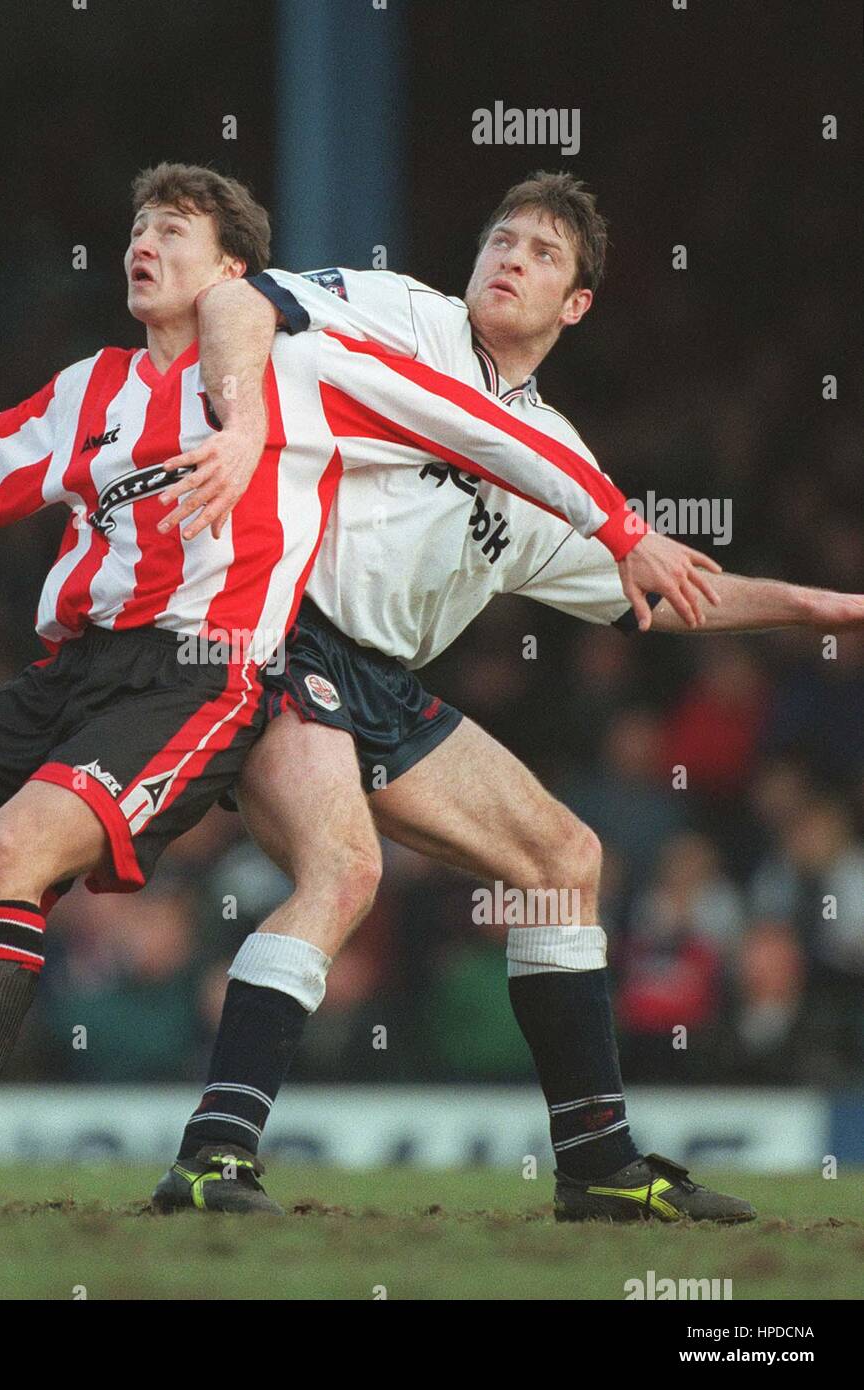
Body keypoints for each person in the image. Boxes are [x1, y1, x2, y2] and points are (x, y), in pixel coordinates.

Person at [0, 163, 675, 1208]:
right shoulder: (89, 389)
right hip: (77, 668)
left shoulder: (304, 371)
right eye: (138, 228)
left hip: (200, 670)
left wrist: (624, 528)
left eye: (173, 231)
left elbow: (493, 432)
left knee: (19, 851)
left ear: (234, 269)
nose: (143, 245)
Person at [150, 171, 864, 1221]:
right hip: (277, 632)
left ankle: (597, 1163)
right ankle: (214, 1154)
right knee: (344, 869)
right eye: (500, 239)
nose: (510, 259)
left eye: (542, 253)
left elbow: (661, 600)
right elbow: (239, 299)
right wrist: (250, 421)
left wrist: (816, 606)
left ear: (576, 304)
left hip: (378, 682)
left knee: (564, 858)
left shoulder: (555, 457)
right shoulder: (406, 313)